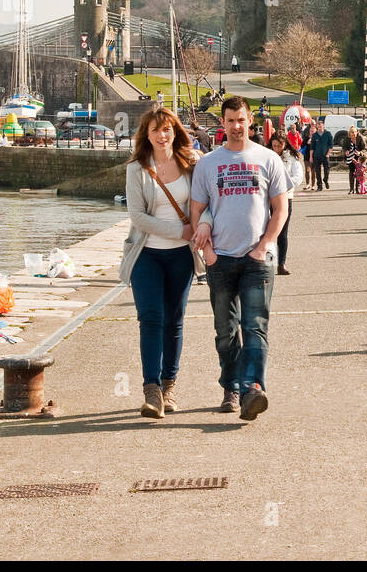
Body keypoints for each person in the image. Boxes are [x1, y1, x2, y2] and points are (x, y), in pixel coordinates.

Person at [191, 96, 289, 420]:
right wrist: (208, 253)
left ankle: (252, 389)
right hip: (220, 258)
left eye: (241, 120)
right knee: (225, 331)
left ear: (250, 122)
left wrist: (265, 245)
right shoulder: (207, 164)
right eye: (230, 120)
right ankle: (230, 386)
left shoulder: (268, 159)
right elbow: (196, 212)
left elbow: (281, 208)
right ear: (223, 123)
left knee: (255, 327)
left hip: (257, 259)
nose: (236, 126)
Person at [118, 107, 201, 420]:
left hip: (181, 255)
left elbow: (204, 203)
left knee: (174, 320)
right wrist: (180, 229)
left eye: (167, 129)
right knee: (150, 318)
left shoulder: (192, 163)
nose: (162, 135)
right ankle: (151, 389)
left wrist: (199, 227)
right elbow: (137, 217)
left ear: (175, 131)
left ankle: (169, 386)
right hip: (146, 254)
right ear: (147, 135)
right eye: (155, 130)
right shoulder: (137, 169)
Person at [269, 132, 302, 275]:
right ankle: (268, 263)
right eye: (274, 145)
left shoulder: (292, 158)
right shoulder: (267, 156)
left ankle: (281, 263)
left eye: (279, 145)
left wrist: (285, 186)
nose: (276, 148)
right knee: (267, 232)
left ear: (285, 144)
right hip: (268, 198)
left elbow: (298, 177)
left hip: (285, 197)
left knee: (282, 232)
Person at [309, 118, 332, 191]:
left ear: (323, 126)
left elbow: (331, 145)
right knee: (317, 172)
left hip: (325, 155)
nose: (319, 127)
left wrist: (328, 154)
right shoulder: (315, 135)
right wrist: (311, 157)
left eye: (321, 125)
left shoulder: (328, 134)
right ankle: (319, 186)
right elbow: (312, 147)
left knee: (327, 169)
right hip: (317, 156)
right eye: (318, 126)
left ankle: (325, 179)